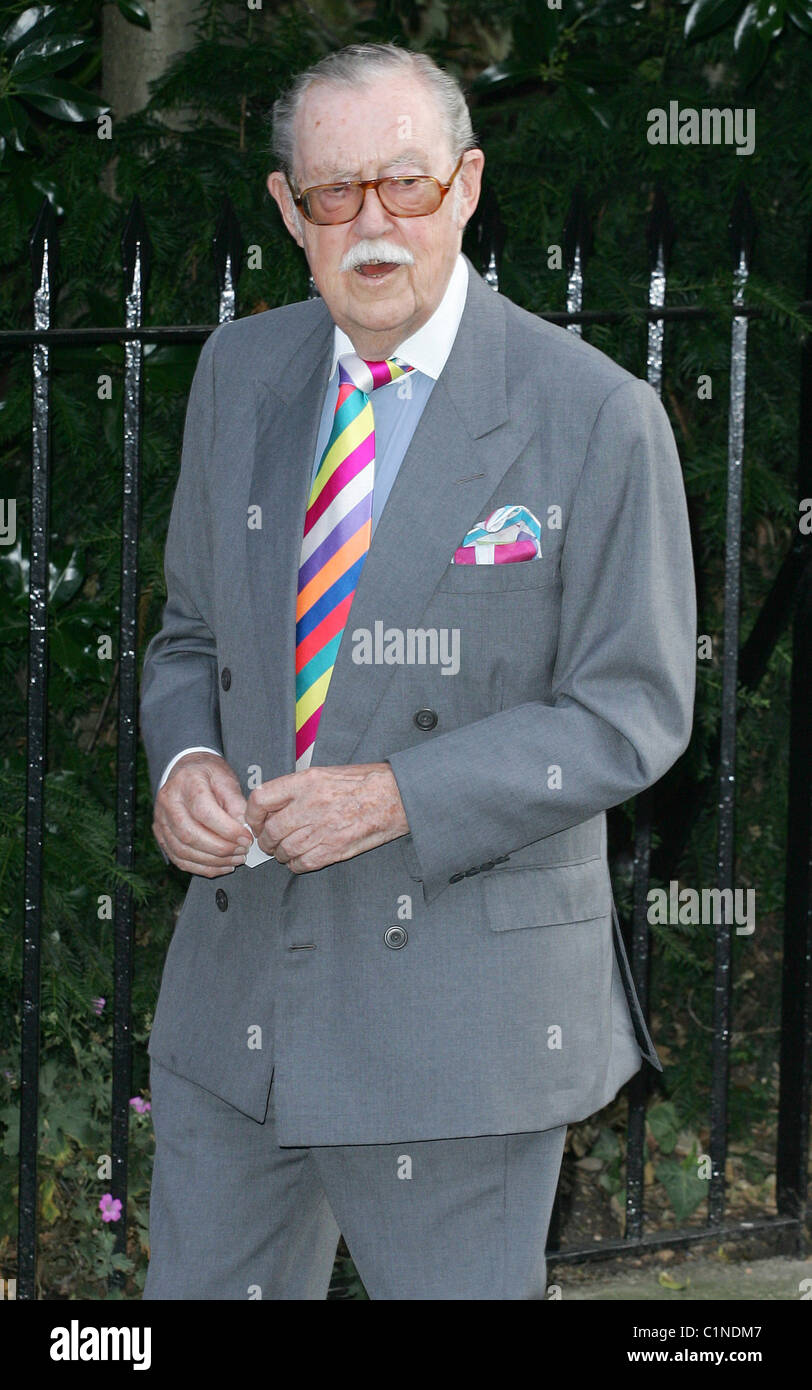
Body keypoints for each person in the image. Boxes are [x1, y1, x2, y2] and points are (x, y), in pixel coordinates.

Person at [139, 42, 696, 1301]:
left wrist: (395, 792)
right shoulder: (238, 374)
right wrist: (184, 760)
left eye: (405, 183)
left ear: (466, 186)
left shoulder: (596, 415)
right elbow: (187, 636)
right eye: (334, 193)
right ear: (290, 212)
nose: (372, 222)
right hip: (237, 1006)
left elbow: (635, 709)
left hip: (461, 1028)